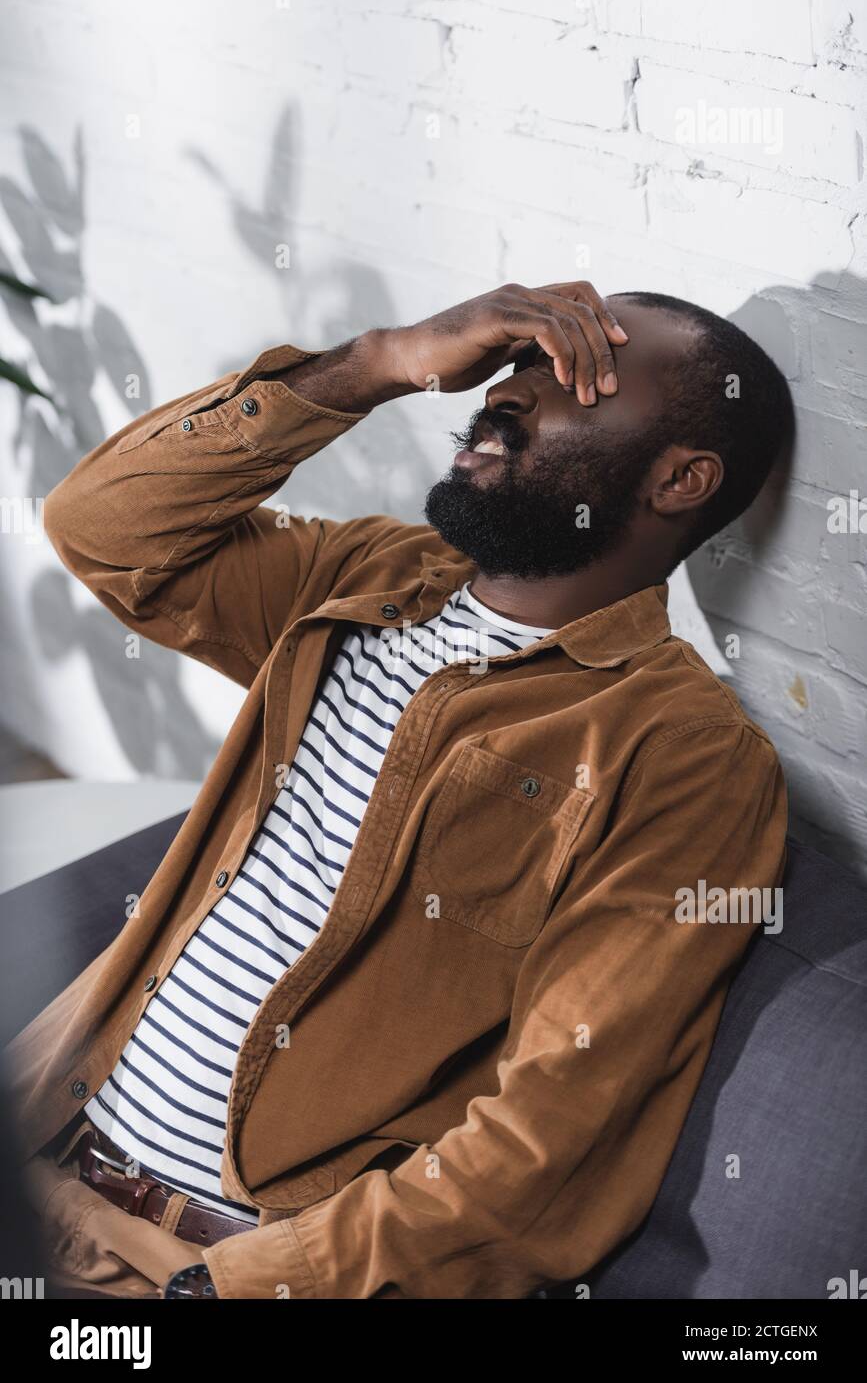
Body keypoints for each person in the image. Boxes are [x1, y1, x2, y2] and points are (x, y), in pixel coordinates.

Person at [7, 280, 792, 1299]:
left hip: (201, 1269)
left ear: (681, 479)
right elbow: (102, 525)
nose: (510, 390)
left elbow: (551, 1132)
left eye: (576, 375)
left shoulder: (678, 749)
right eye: (518, 360)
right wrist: (376, 362)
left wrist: (242, 1287)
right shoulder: (366, 579)